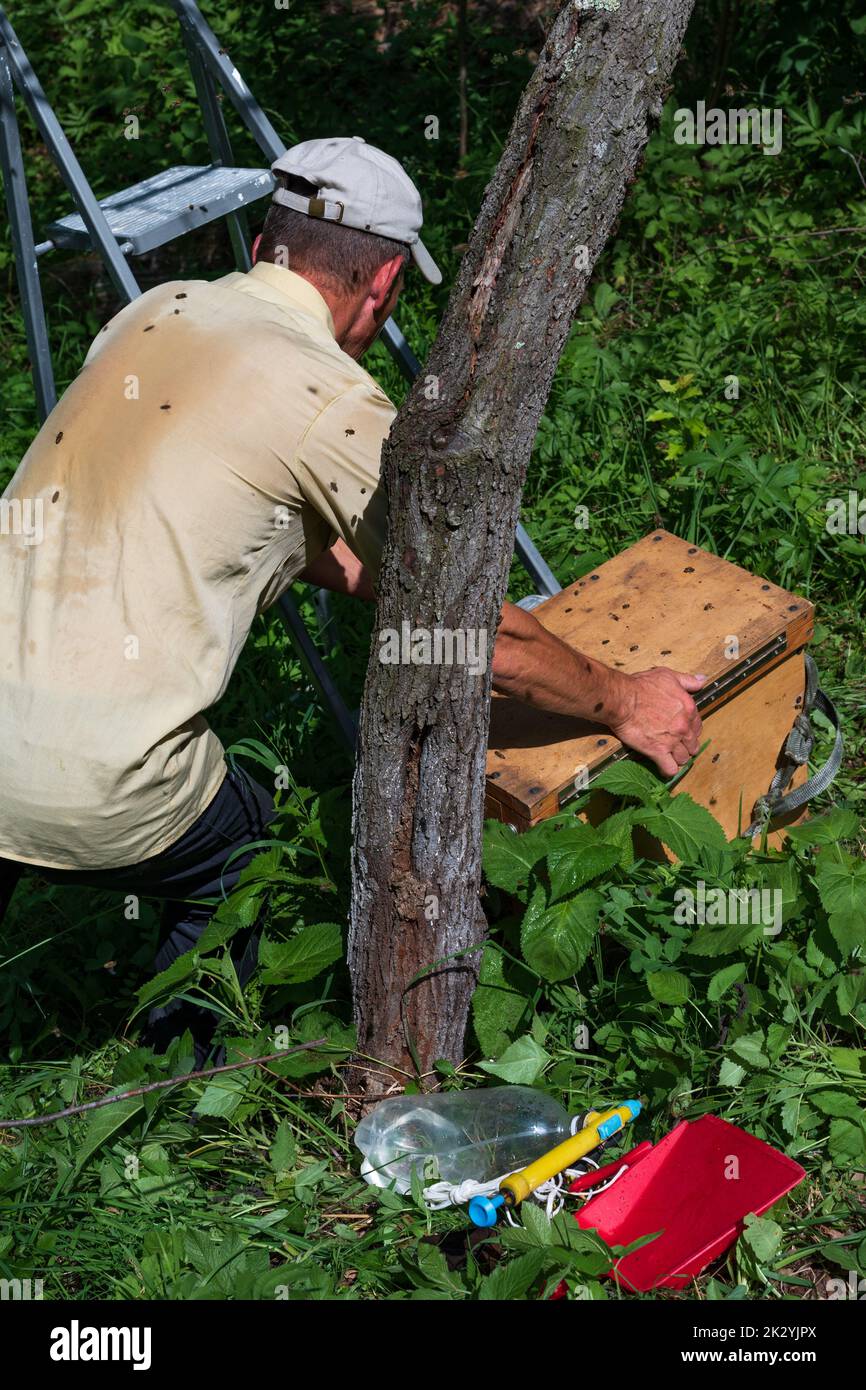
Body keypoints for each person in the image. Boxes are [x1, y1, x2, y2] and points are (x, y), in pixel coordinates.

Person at [0, 136, 704, 1062]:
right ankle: (185, 1087)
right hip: (94, 785)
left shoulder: (155, 311)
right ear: (383, 286)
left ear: (265, 244)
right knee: (247, 857)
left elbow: (246, 514)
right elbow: (462, 621)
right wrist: (622, 699)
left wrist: (387, 582)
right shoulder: (328, 396)